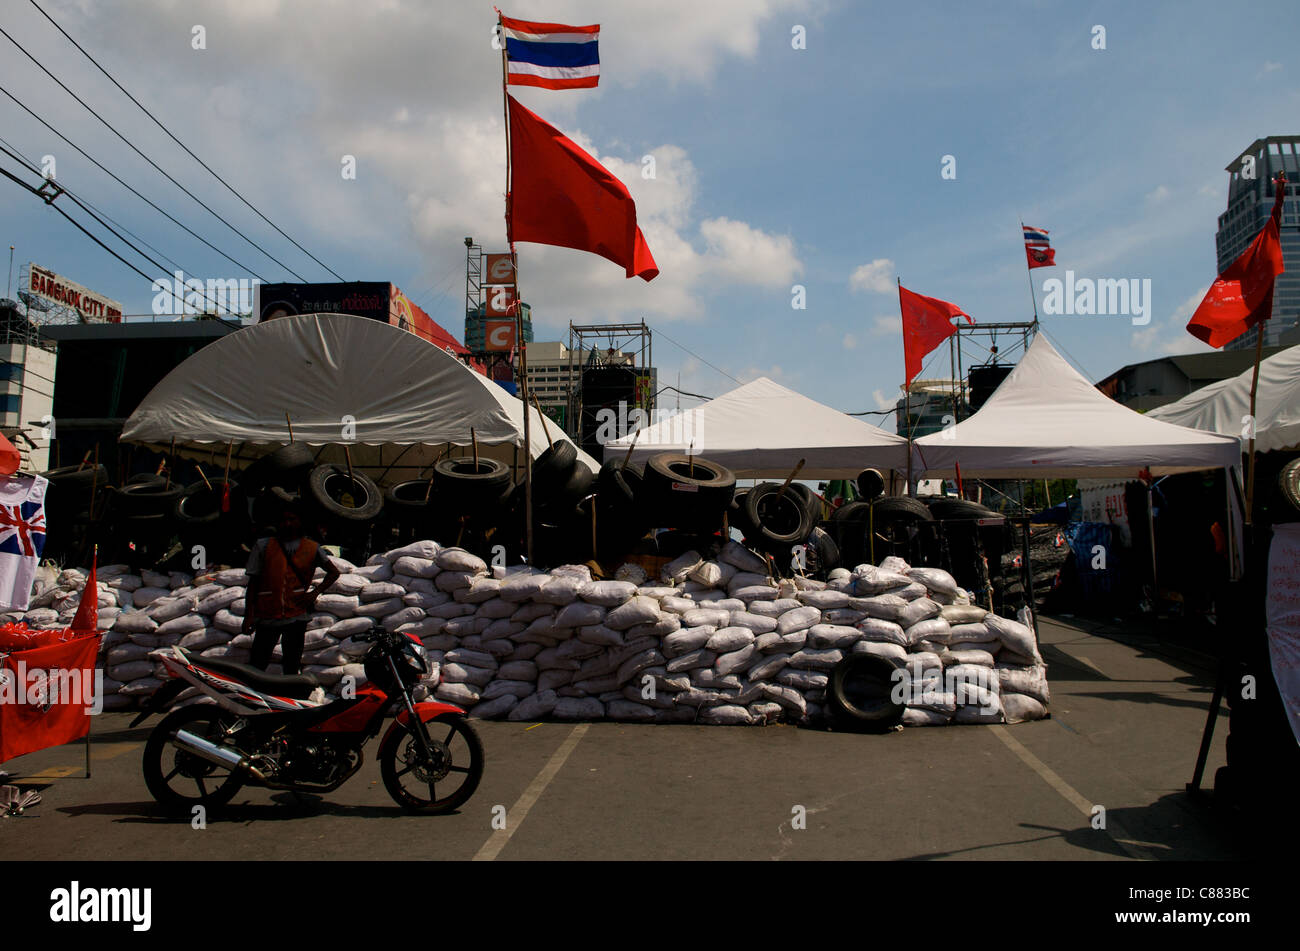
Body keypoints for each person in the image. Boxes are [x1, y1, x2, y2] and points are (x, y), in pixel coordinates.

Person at [242, 499, 339, 675]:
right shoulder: (263, 546)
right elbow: (253, 582)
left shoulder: (312, 548)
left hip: (297, 615)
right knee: (257, 663)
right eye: (283, 520)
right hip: (267, 615)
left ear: (300, 521)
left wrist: (314, 593)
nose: (287, 524)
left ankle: (289, 697)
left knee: (292, 664)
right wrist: (249, 615)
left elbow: (334, 572)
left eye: (292, 519)